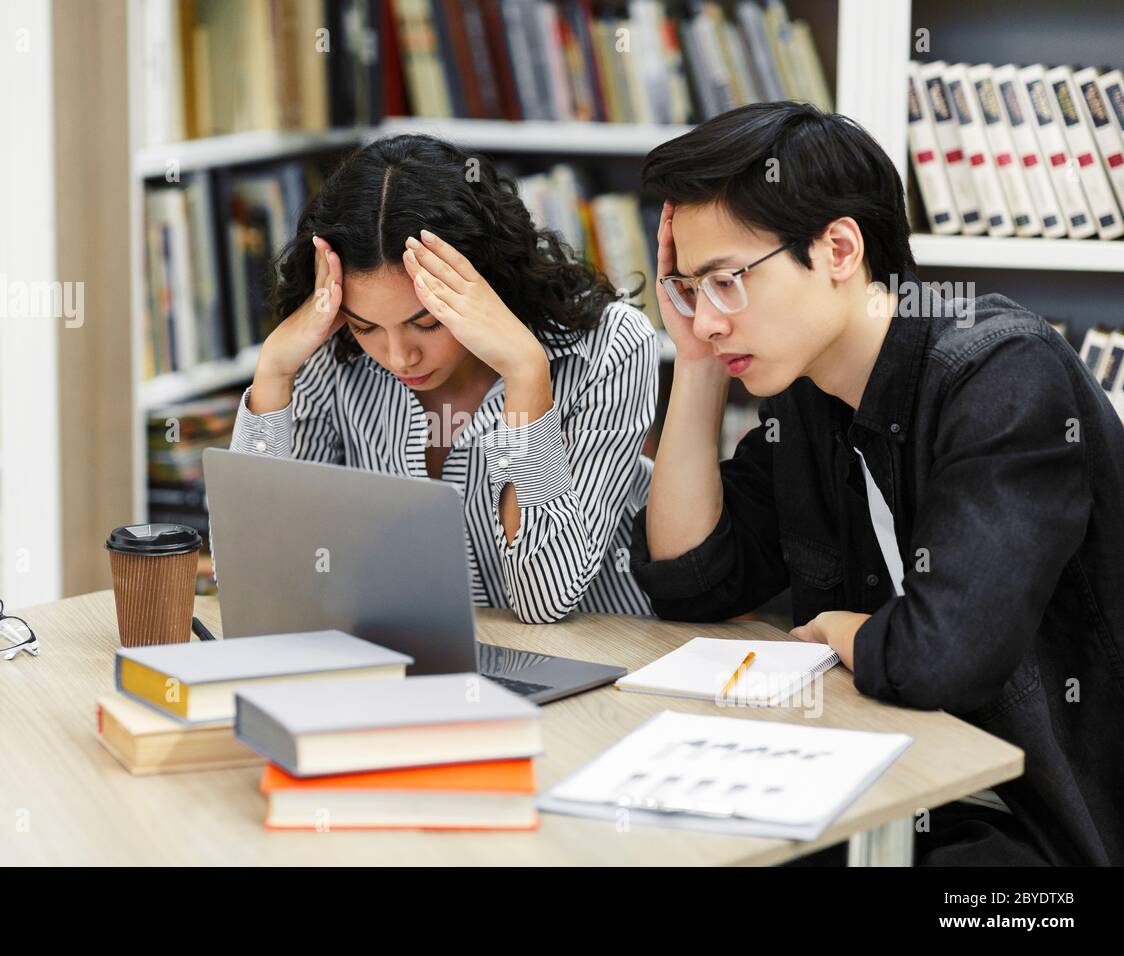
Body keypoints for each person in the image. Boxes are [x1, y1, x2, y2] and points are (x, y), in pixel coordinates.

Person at [631, 101, 1124, 866]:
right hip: (885, 787)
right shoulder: (806, 389)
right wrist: (693, 363)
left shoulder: (1004, 377)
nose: (711, 318)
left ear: (837, 248)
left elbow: (944, 655)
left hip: (1041, 829)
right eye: (692, 289)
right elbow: (693, 581)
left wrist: (840, 629)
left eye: (726, 281)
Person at [227, 134, 657, 624]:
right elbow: (256, 579)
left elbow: (544, 600)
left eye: (427, 322)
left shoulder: (609, 349)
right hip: (417, 665)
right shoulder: (334, 351)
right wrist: (274, 373)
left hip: (603, 672)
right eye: (367, 326)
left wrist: (525, 372)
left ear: (484, 279)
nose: (399, 356)